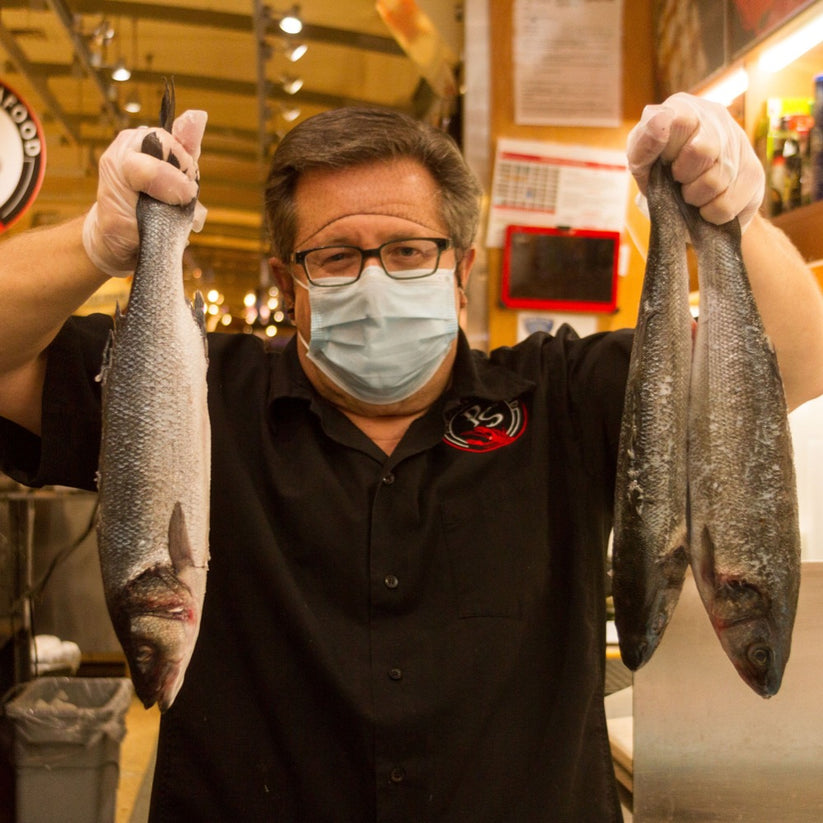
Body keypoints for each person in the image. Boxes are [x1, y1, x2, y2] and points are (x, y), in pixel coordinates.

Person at [1, 92, 822, 822]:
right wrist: (98, 241)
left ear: (460, 269)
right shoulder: (195, 392)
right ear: (290, 281)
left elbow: (796, 364)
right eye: (335, 256)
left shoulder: (566, 395)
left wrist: (733, 217)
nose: (374, 277)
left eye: (406, 251)